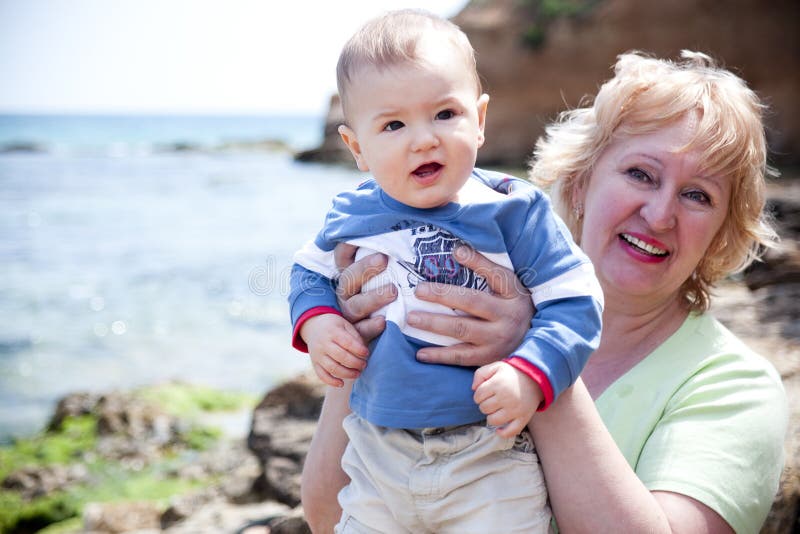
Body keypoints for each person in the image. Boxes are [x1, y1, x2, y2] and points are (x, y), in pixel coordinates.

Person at [300, 49, 788, 534]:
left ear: (723, 230)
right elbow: (328, 517)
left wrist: (534, 360)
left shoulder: (735, 387)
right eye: (640, 174)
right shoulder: (461, 304)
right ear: (579, 185)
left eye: (698, 195)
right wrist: (363, 339)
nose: (660, 215)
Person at [289, 9, 603, 533]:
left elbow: (576, 299)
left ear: (478, 121)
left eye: (444, 114)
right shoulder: (353, 213)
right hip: (375, 448)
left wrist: (529, 372)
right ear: (357, 148)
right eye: (393, 124)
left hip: (488, 452)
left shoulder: (512, 210)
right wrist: (320, 322)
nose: (424, 140)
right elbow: (306, 275)